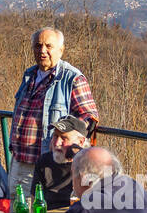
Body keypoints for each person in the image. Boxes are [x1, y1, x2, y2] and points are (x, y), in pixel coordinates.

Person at [7, 27, 98, 192]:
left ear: (61, 50)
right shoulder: (30, 75)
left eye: (49, 46)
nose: (42, 51)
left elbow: (89, 117)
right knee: (17, 211)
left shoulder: (72, 78)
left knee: (43, 212)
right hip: (20, 159)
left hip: (48, 166)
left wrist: (66, 140)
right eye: (38, 45)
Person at [31, 115, 92, 208]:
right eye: (55, 136)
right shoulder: (44, 161)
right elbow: (34, 202)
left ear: (80, 142)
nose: (56, 143)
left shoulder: (91, 164)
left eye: (64, 138)